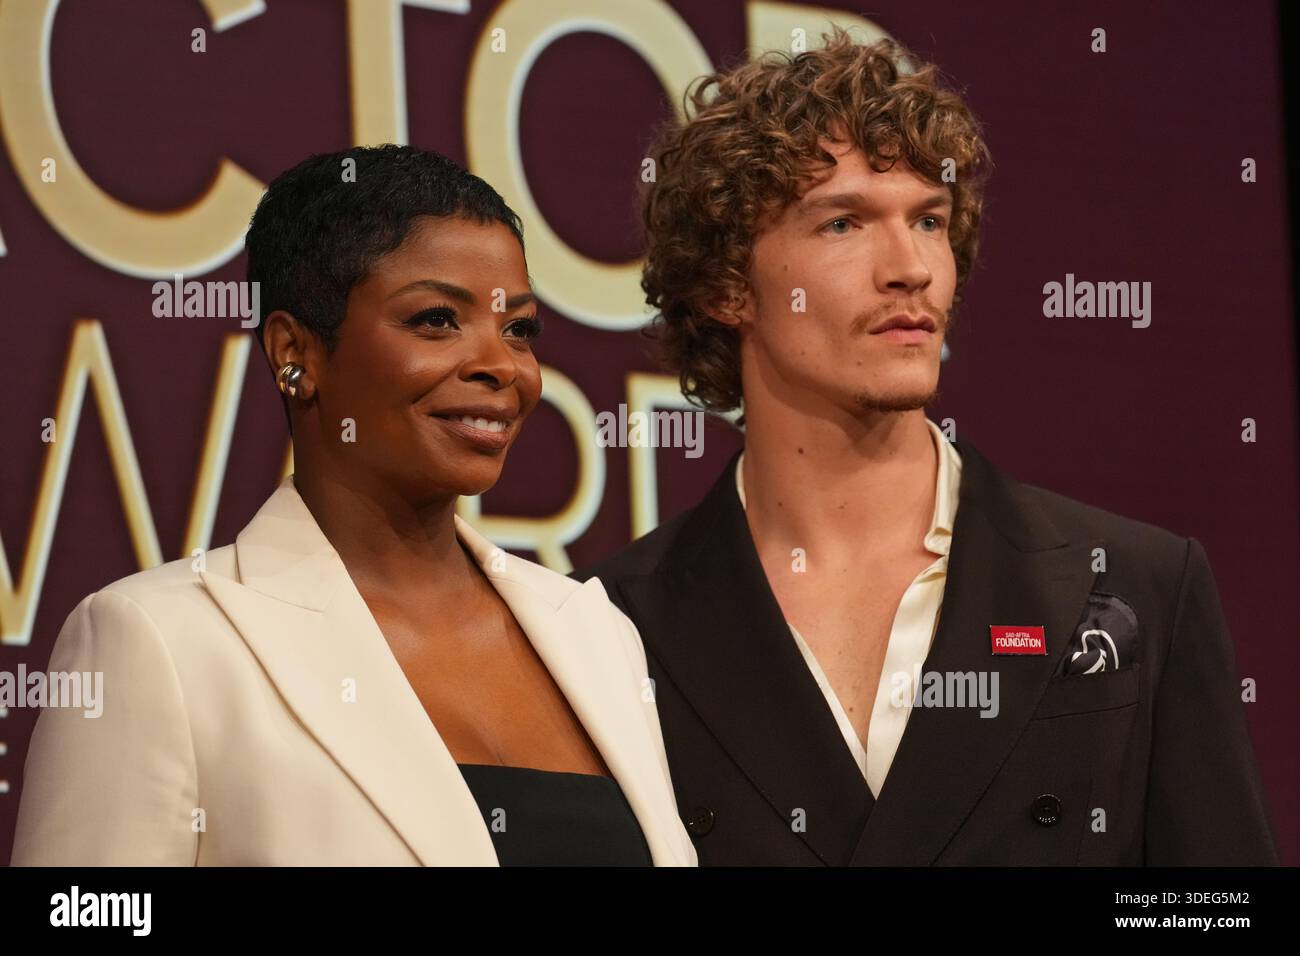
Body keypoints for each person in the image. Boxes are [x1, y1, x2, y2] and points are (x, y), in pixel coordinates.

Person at [574, 29, 1279, 865]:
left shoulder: (1137, 583)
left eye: (931, 221)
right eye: (843, 223)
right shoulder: (614, 626)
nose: (910, 267)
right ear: (729, 284)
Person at [12, 145, 695, 867]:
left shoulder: (595, 633)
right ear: (293, 353)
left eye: (519, 328)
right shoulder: (160, 641)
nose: (503, 366)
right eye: (436, 319)